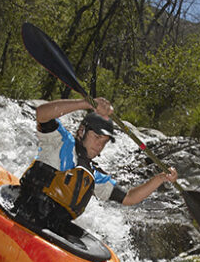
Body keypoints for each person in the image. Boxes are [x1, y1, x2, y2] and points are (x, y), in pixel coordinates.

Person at [14, 97, 177, 231]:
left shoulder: (92, 176)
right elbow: (42, 113)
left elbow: (129, 197)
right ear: (81, 131)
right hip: (22, 215)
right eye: (97, 137)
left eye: (104, 142)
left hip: (51, 230)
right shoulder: (60, 142)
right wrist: (85, 103)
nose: (100, 145)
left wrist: (161, 178)